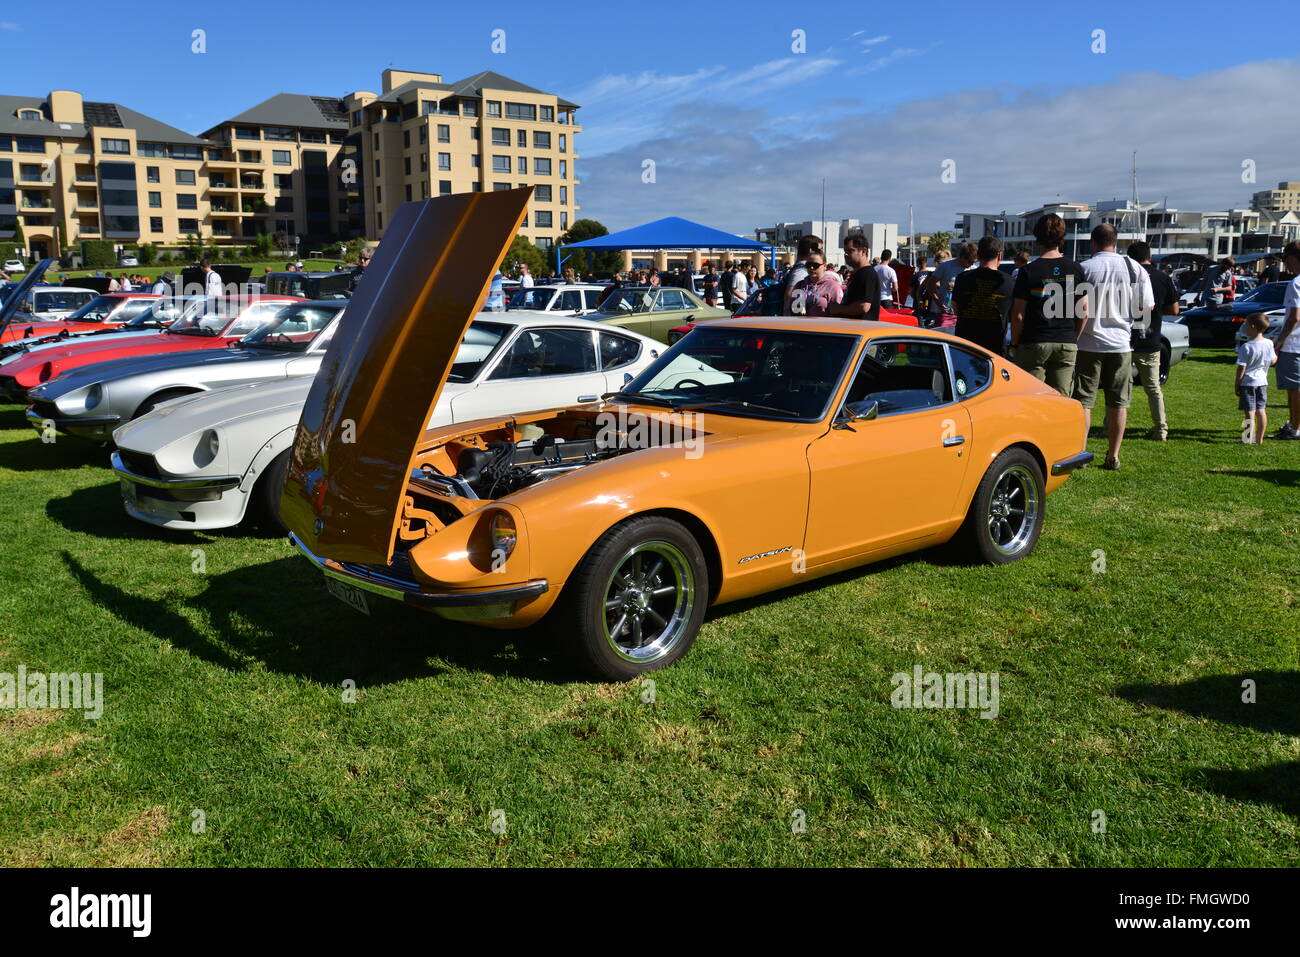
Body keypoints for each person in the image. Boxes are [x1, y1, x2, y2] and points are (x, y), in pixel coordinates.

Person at [1073, 223, 1154, 471]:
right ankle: (1113, 455)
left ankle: (1081, 452)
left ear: (1093, 242)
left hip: (1088, 342)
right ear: (1116, 242)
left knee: (1084, 402)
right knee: (1118, 402)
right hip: (1120, 343)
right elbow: (1147, 306)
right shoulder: (1134, 267)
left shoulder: (1084, 268)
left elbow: (1075, 307)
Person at [1009, 213, 1088, 396]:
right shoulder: (1076, 269)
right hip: (1065, 340)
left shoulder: (1028, 271)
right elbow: (1084, 310)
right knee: (1061, 400)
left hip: (1035, 340)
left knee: (1033, 398)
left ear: (1037, 236)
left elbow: (1018, 314)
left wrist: (1014, 343)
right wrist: (1073, 337)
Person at [1127, 241, 1179, 441]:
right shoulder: (1162, 277)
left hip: (1125, 339)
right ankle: (1161, 429)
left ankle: (1110, 426)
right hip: (1151, 338)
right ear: (1149, 256)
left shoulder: (1126, 277)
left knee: (1120, 388)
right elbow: (1174, 309)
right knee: (1153, 388)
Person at [952, 236, 1014, 354]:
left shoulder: (962, 278)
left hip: (965, 346)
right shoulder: (1010, 282)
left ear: (978, 255)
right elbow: (1013, 314)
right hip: (994, 348)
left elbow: (955, 307)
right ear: (999, 255)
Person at [1270, 241, 1300, 439]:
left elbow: (1294, 318)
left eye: (1285, 259)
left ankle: (1295, 428)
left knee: (1294, 388)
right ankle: (1294, 423)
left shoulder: (1296, 283)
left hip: (1294, 343)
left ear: (1291, 258)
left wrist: (1280, 341)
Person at [1236, 313, 1277, 444]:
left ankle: (1247, 439)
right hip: (1262, 382)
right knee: (1261, 410)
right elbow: (1273, 360)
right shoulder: (1269, 343)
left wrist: (1237, 384)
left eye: (1246, 325)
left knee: (1249, 413)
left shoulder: (1246, 346)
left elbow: (1241, 368)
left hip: (1248, 383)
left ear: (1253, 326)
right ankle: (1259, 439)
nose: (1245, 327)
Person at [828, 233, 881, 321]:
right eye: (845, 251)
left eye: (850, 251)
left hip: (862, 327)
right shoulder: (858, 273)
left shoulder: (867, 273)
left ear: (863, 251)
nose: (846, 255)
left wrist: (839, 308)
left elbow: (864, 306)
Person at [919, 243, 975, 327]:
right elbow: (930, 285)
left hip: (966, 314)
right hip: (947, 313)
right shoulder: (945, 266)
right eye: (970, 262)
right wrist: (938, 302)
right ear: (963, 257)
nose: (972, 264)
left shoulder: (974, 268)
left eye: (973, 262)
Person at [781, 236, 823, 314]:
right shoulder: (801, 272)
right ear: (811, 250)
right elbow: (789, 297)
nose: (821, 253)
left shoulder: (798, 269)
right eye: (819, 250)